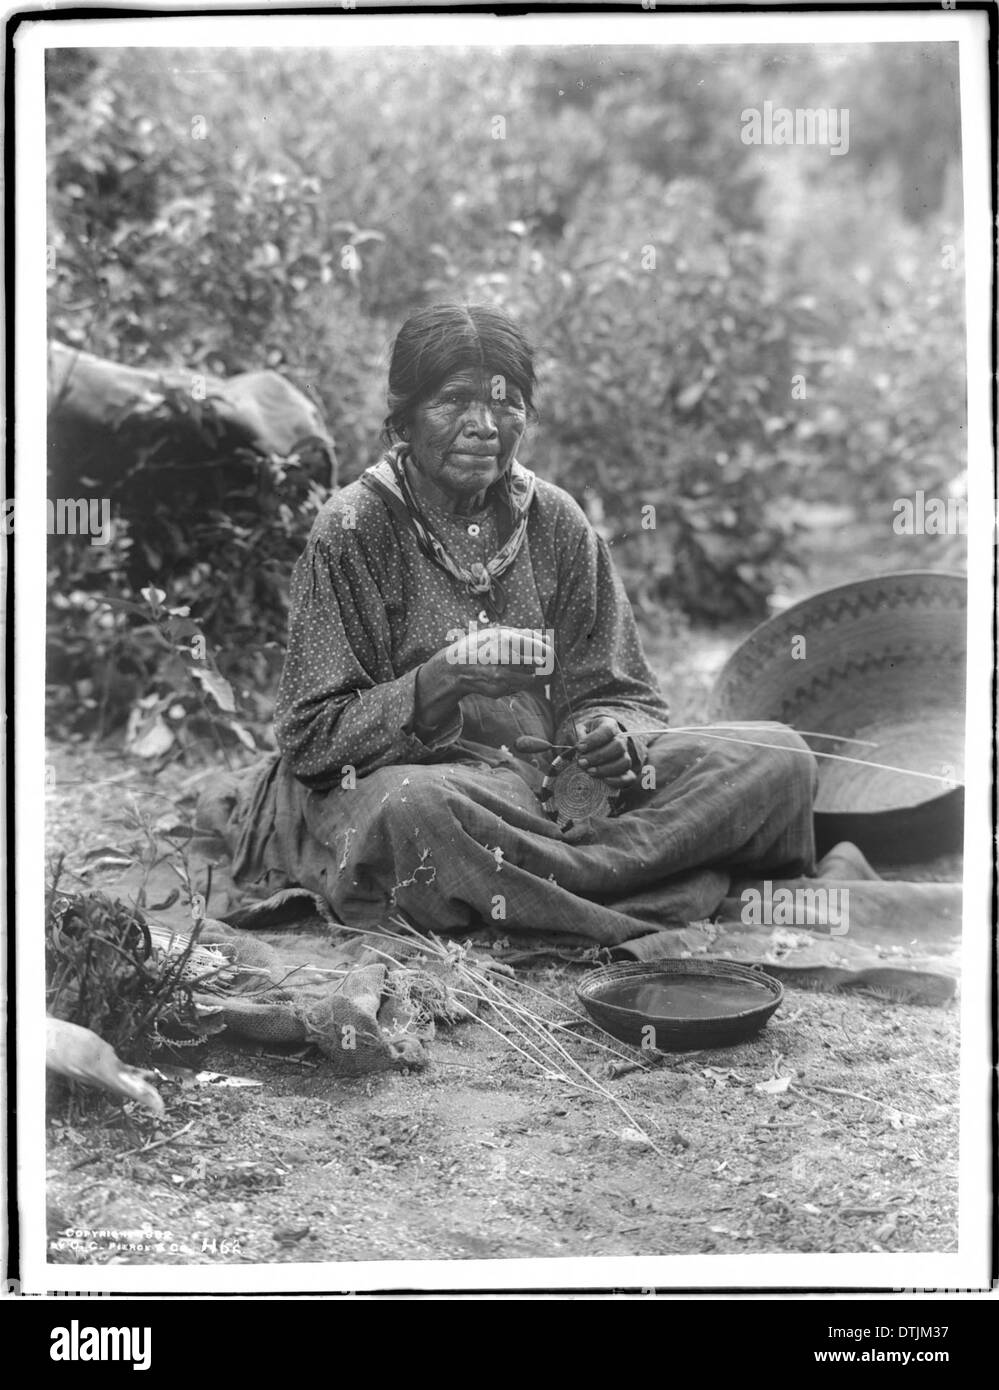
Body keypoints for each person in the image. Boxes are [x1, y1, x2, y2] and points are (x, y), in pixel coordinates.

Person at [209, 303, 817, 946]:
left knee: (781, 758)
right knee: (415, 813)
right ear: (404, 414)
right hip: (434, 782)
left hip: (551, 786)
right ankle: (637, 873)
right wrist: (441, 679)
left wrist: (609, 733)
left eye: (507, 403)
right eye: (453, 401)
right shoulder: (355, 528)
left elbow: (620, 689)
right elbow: (311, 738)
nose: (482, 426)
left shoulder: (554, 519)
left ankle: (553, 881)